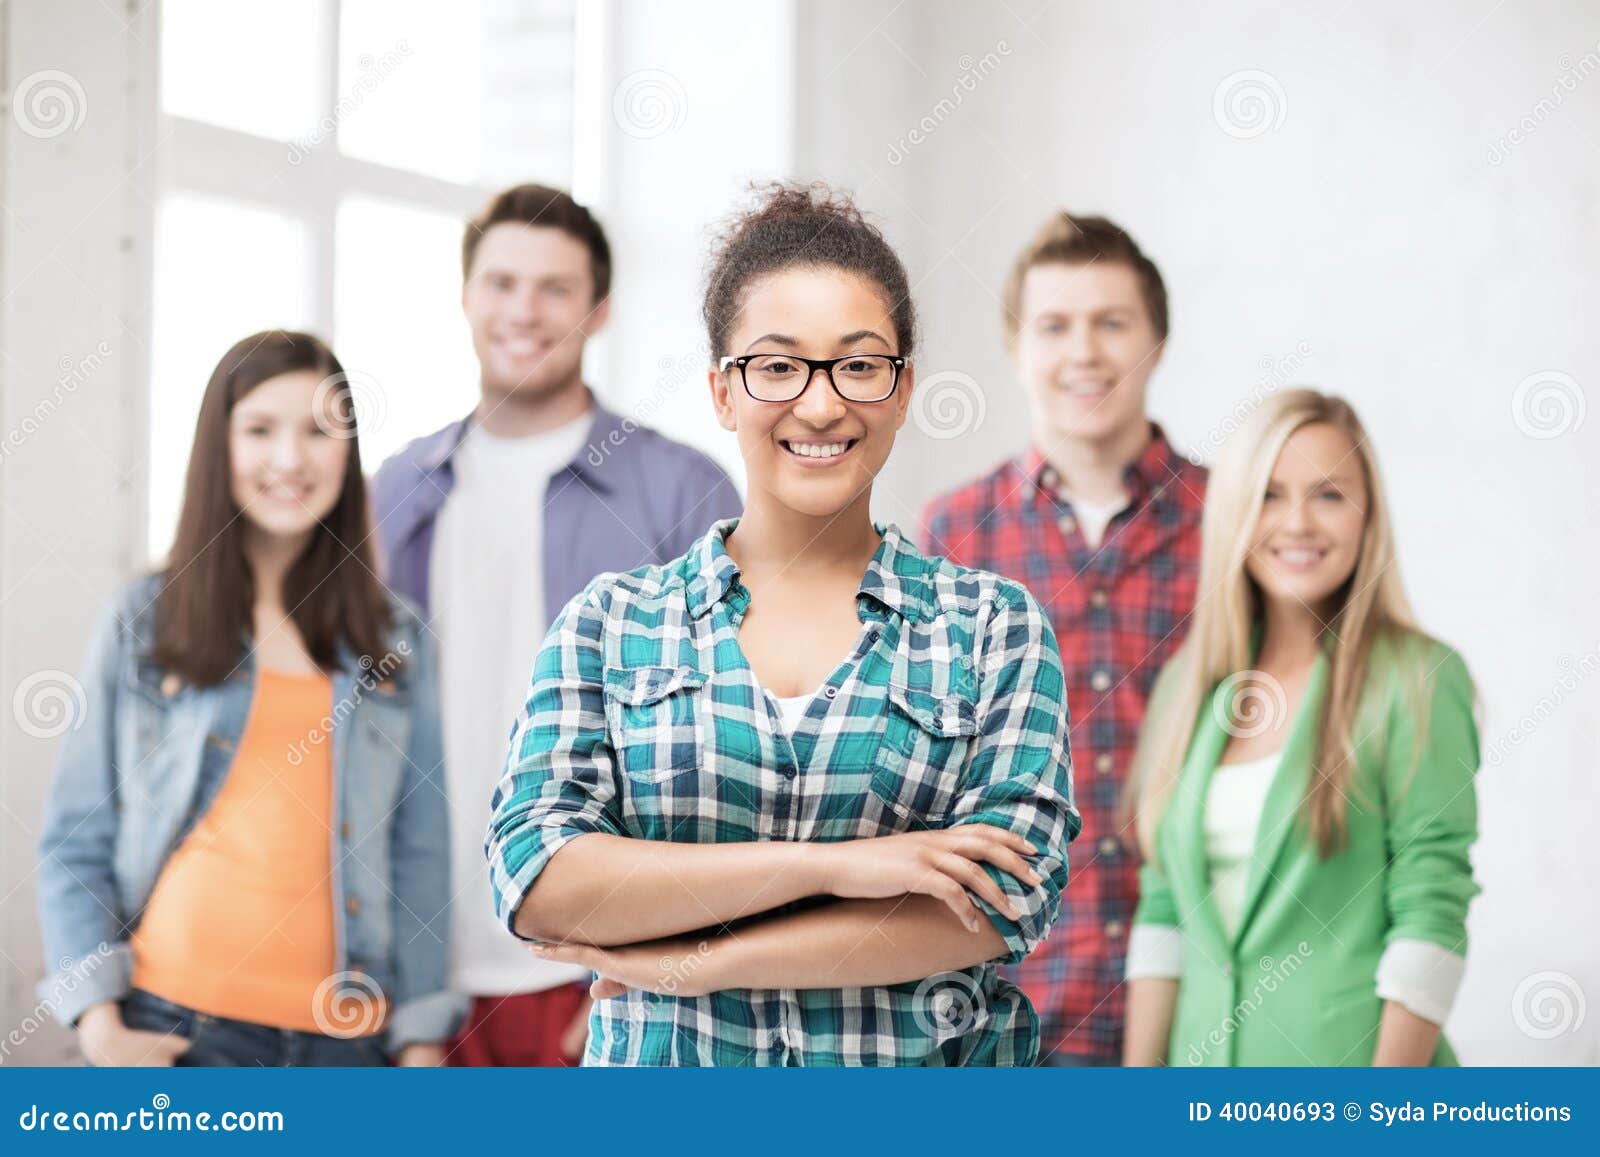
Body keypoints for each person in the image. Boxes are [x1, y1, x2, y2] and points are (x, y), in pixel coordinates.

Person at [484, 182, 1080, 1066]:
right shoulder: (611, 625)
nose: (821, 404)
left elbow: (1001, 898)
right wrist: (840, 865)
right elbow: (537, 875)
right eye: (777, 365)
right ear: (724, 391)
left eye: (859, 363)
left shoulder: (993, 629)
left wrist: (699, 962)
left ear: (905, 387)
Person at [373, 183, 741, 1066]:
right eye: (501, 282)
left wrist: (653, 960)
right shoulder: (392, 492)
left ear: (598, 309)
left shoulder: (681, 491)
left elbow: (740, 742)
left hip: (593, 973)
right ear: (465, 297)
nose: (524, 311)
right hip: (414, 976)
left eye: (554, 288)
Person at [37, 330, 458, 1067]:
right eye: (261, 429)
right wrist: (100, 1025)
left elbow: (421, 847)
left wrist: (423, 1039)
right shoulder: (145, 617)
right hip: (174, 1029)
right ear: (218, 446)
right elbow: (76, 840)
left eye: (319, 430)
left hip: (349, 1046)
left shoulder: (397, 638)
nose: (291, 459)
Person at [920, 213, 1206, 1064]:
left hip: (1208, 993)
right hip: (1013, 1003)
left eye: (1112, 322)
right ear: (1017, 346)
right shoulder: (954, 535)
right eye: (1055, 325)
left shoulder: (1232, 521)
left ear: (1156, 341)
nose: (1085, 351)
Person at [1123, 389, 1480, 1066]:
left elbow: (1431, 916)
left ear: (1367, 512)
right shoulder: (1187, 686)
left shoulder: (1418, 678)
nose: (1297, 522)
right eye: (1268, 494)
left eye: (1329, 494)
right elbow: (1165, 908)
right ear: (1233, 513)